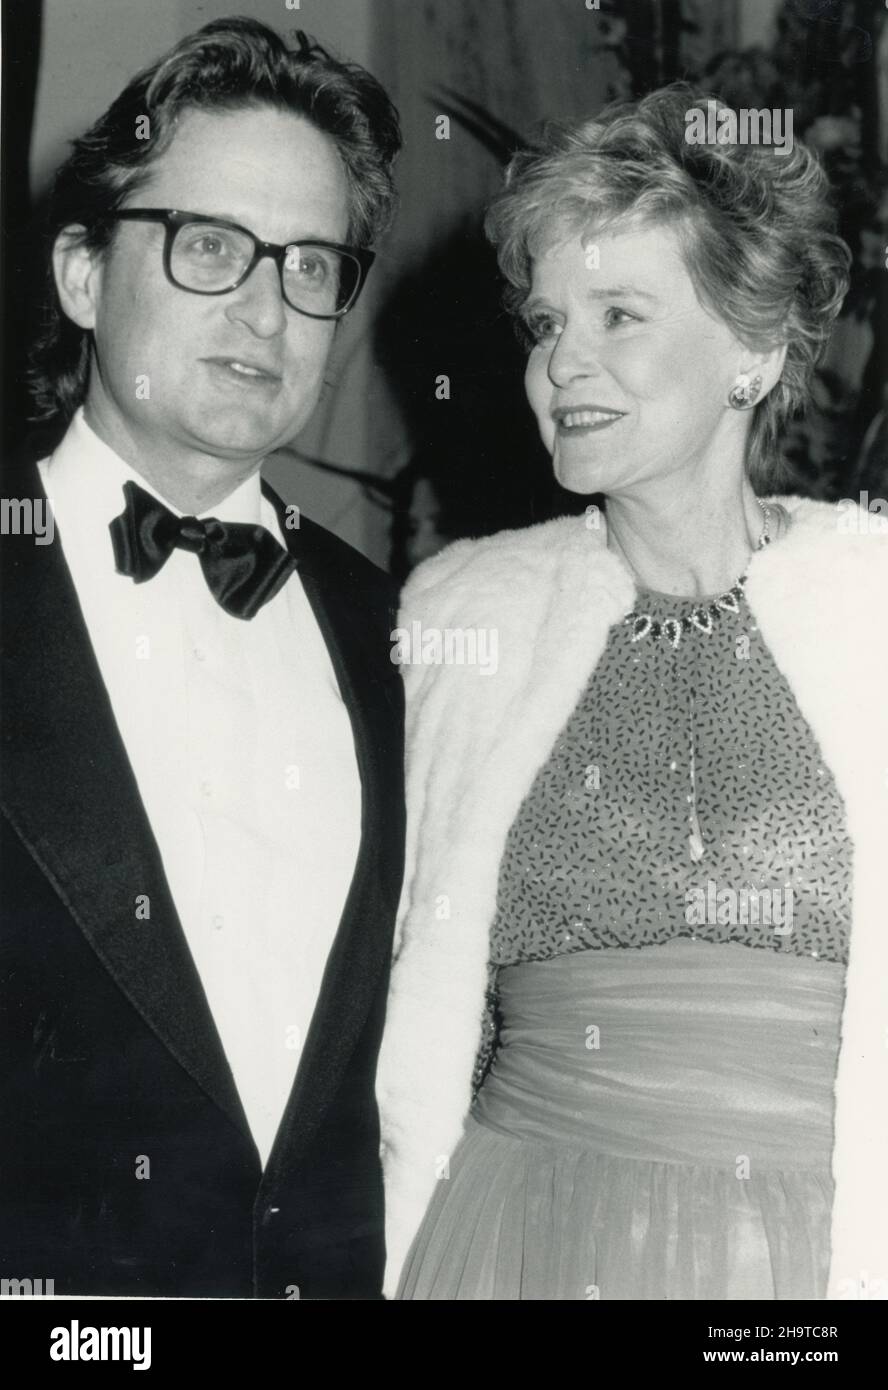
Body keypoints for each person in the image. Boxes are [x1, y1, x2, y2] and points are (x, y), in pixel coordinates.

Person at [376, 83, 888, 1300]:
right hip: (511, 1237)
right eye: (548, 324)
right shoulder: (462, 620)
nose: (565, 364)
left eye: (620, 316)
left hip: (819, 1258)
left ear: (754, 352)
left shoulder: (875, 605)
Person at [0, 18, 404, 1299]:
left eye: (311, 265)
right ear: (80, 271)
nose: (263, 307)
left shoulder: (391, 631)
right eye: (209, 245)